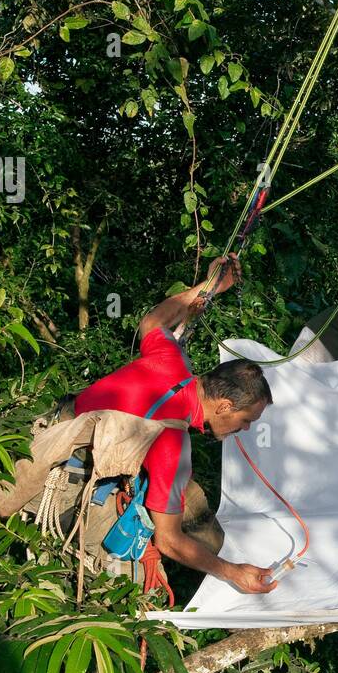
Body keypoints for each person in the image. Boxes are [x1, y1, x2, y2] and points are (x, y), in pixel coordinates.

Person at [72, 254, 280, 595]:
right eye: (246, 421)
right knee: (141, 580)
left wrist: (207, 287)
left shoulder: (170, 361)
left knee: (192, 503)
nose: (245, 430)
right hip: (80, 477)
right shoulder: (171, 442)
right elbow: (169, 541)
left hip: (68, 428)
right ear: (225, 405)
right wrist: (233, 572)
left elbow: (153, 321)